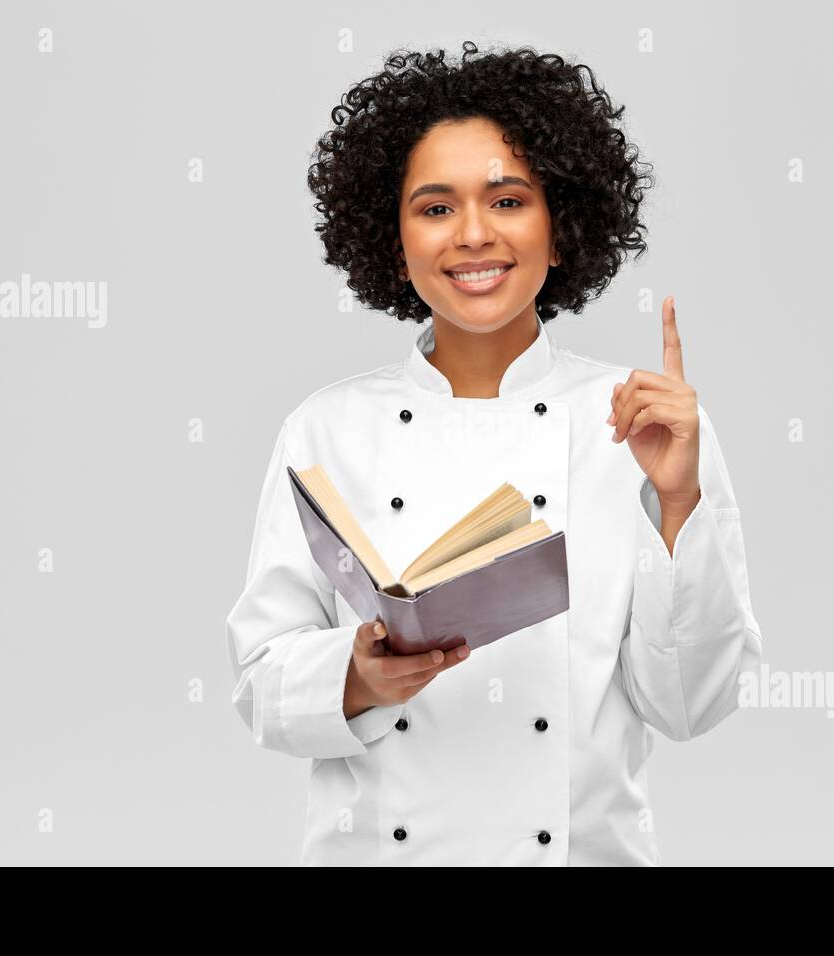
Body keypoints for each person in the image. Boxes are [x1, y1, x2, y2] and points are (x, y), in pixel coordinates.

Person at [225, 41, 763, 866]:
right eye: (435, 208)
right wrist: (360, 676)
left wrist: (680, 504)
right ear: (393, 239)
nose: (472, 235)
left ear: (561, 228)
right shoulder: (324, 430)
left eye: (508, 200)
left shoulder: (642, 424)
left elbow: (691, 704)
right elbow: (261, 682)